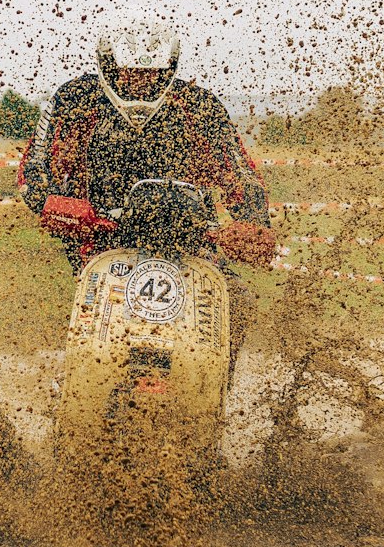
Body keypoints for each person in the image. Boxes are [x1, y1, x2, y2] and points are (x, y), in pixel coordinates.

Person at [18, 20, 277, 357]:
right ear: (107, 64)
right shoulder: (75, 99)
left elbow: (240, 174)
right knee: (87, 318)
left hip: (190, 239)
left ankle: (213, 398)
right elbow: (34, 169)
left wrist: (254, 224)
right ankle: (74, 385)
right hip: (101, 238)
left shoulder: (199, 106)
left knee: (238, 300)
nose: (139, 81)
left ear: (169, 67)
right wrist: (52, 203)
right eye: (128, 71)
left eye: (151, 73)